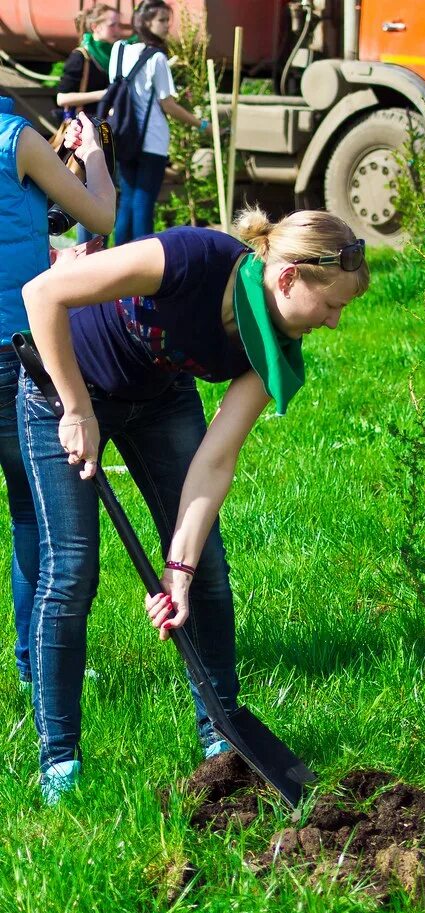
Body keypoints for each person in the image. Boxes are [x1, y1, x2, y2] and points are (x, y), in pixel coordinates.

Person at [19, 208, 369, 804]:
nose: (335, 323)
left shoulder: (276, 351)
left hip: (158, 399)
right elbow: (43, 293)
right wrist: (78, 410)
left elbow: (214, 463)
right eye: (331, 305)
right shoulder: (190, 258)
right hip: (65, 384)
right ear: (287, 279)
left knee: (205, 566)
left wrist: (177, 570)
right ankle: (60, 760)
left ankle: (221, 736)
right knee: (72, 570)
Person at [0, 98, 115, 697]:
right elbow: (99, 215)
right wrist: (91, 154)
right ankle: (31, 664)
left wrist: (45, 254)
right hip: (13, 354)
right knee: (31, 514)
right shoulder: (14, 139)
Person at [108, 0, 212, 245]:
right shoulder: (157, 58)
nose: (167, 26)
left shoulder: (119, 50)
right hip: (152, 140)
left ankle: (118, 259)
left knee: (127, 201)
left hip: (123, 134)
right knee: (144, 202)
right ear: (146, 22)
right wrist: (201, 124)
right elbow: (168, 105)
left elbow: (114, 87)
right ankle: (145, 261)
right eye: (162, 20)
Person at [55, 4, 123, 246]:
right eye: (112, 24)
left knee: (102, 194)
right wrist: (102, 94)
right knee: (87, 197)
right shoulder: (80, 56)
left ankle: (98, 250)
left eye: (119, 24)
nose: (118, 29)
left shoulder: (112, 57)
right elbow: (62, 98)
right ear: (95, 27)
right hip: (80, 136)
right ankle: (87, 253)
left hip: (102, 135)